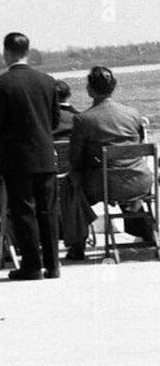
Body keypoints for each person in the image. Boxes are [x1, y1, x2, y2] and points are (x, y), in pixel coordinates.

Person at [0, 32, 60, 279]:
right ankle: (53, 264)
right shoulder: (48, 81)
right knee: (47, 211)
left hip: (17, 159)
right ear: (28, 51)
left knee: (24, 212)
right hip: (45, 156)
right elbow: (55, 120)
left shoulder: (0, 84)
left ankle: (32, 265)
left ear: (6, 52)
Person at [63, 66, 155, 260]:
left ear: (89, 90)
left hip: (105, 184)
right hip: (140, 180)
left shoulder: (83, 119)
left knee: (70, 185)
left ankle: (76, 244)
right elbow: (138, 144)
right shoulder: (133, 114)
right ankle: (145, 230)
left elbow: (75, 159)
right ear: (113, 86)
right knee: (124, 175)